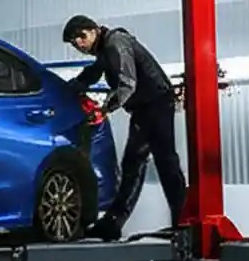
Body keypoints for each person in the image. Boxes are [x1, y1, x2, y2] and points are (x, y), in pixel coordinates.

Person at [61, 15, 187, 242]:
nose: (79, 43)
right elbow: (93, 73)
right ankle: (114, 223)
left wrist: (105, 109)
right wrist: (65, 89)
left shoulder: (115, 43)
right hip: (145, 108)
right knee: (135, 164)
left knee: (164, 162)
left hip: (156, 104)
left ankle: (184, 223)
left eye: (81, 36)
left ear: (94, 30)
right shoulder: (105, 49)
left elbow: (127, 83)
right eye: (73, 42)